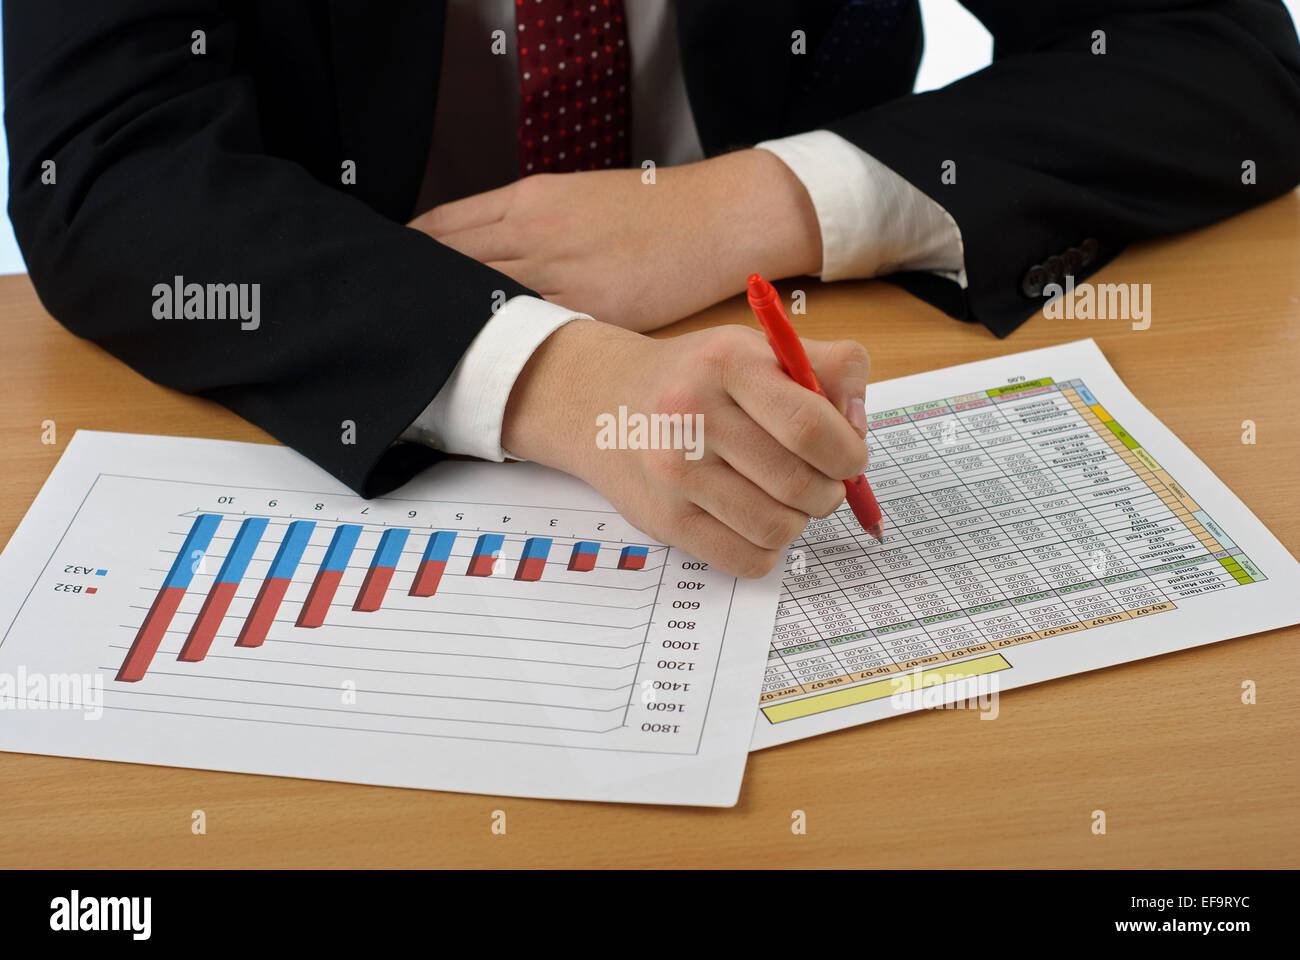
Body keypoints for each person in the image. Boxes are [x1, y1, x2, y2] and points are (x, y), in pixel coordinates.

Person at [6, 1, 1300, 577]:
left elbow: (1214, 56)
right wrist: (556, 377)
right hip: (332, 392)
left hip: (789, 336)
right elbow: (110, 165)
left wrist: (754, 203)